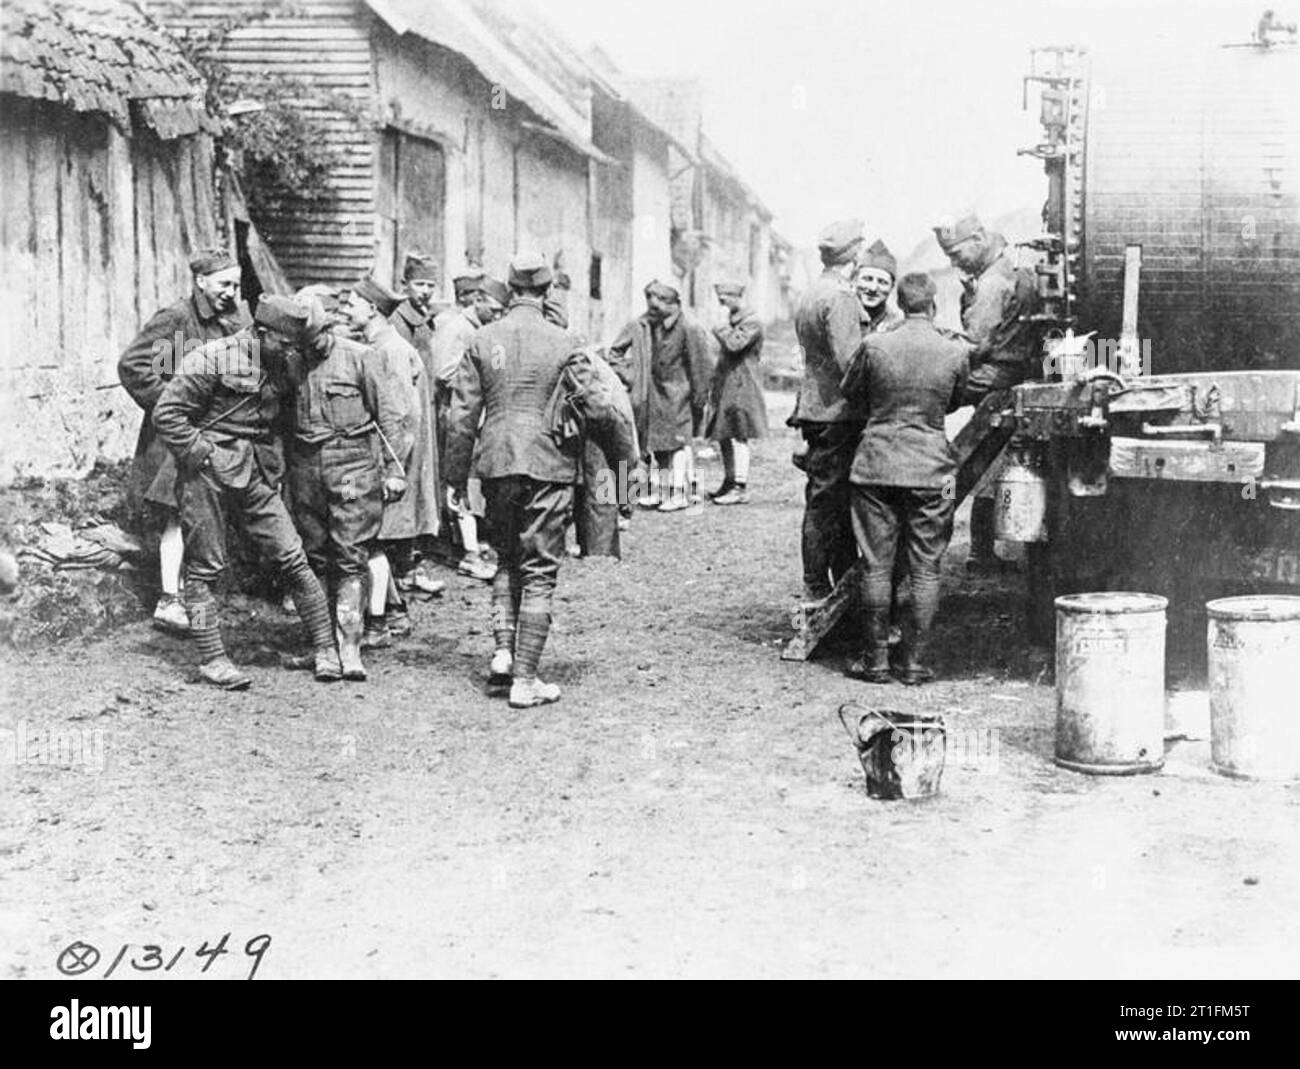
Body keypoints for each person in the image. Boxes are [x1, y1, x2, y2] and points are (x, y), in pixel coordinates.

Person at [151, 296, 340, 688]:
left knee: (293, 555)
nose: (292, 353)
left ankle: (325, 646)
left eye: (296, 347)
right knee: (203, 571)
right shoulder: (211, 358)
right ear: (262, 332)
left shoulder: (284, 358)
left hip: (257, 475)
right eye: (286, 345)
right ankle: (212, 657)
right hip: (207, 477)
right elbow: (167, 414)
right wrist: (202, 455)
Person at [444, 252, 579, 708]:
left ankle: (503, 653)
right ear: (547, 292)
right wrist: (621, 483)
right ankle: (525, 680)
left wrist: (455, 477)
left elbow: (461, 416)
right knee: (539, 570)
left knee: (505, 559)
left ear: (509, 286)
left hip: (497, 461)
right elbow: (600, 411)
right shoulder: (566, 342)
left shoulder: (483, 338)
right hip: (547, 463)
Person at [842, 272, 969, 684]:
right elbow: (955, 400)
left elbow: (851, 393)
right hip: (932, 470)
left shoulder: (874, 345)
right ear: (933, 304)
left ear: (899, 300)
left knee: (876, 567)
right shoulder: (953, 350)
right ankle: (915, 664)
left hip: (875, 466)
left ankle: (876, 662)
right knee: (927, 569)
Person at [117, 248, 250, 634]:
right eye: (224, 284)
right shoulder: (176, 319)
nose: (231, 292)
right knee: (176, 512)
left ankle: (200, 597)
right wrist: (173, 405)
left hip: (216, 433)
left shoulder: (238, 319)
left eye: (237, 285)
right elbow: (133, 366)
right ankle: (168, 600)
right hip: (174, 436)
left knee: (205, 511)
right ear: (201, 282)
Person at [285, 287, 408, 681]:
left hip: (352, 467)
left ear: (328, 327)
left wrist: (393, 470)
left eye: (317, 336)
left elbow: (390, 418)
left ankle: (350, 647)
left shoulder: (360, 357)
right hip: (305, 468)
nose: (312, 346)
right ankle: (321, 647)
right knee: (312, 555)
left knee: (350, 554)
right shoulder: (291, 362)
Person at [933, 213, 1040, 573]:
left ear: (978, 240)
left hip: (994, 381)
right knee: (987, 472)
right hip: (1007, 380)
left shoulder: (993, 284)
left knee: (975, 472)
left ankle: (976, 549)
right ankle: (982, 550)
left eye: (956, 253)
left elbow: (974, 345)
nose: (953, 262)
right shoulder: (1009, 270)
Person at [345, 276, 442, 646]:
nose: (346, 310)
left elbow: (403, 413)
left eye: (352, 304)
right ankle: (393, 614)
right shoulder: (375, 345)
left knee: (374, 541)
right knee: (374, 540)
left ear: (371, 310)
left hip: (391, 462)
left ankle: (384, 621)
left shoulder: (390, 350)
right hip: (385, 458)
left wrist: (394, 468)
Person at [790, 219, 866, 606]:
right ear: (853, 253)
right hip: (838, 412)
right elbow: (850, 362)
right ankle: (817, 585)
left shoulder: (811, 291)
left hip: (816, 409)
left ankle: (826, 581)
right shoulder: (840, 297)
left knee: (827, 498)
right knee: (827, 502)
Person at [607, 280, 712, 513]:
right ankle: (662, 492)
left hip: (680, 396)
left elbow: (702, 367)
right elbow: (614, 353)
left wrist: (699, 399)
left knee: (678, 446)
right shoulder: (644, 325)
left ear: (673, 304)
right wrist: (631, 375)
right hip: (651, 396)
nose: (651, 311)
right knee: (658, 445)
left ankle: (679, 494)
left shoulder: (690, 328)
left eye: (657, 307)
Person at [429, 274, 507, 581]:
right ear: (477, 302)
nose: (498, 316)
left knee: (472, 480)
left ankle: (470, 542)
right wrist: (479, 378)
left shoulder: (479, 328)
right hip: (456, 411)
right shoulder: (458, 328)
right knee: (459, 479)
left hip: (474, 411)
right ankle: (469, 553)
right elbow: (443, 372)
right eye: (495, 310)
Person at [706, 281, 768, 505]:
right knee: (724, 434)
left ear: (736, 297)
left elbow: (734, 344)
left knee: (739, 434)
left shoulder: (752, 321)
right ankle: (729, 480)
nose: (722, 304)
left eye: (725, 300)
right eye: (720, 300)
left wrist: (721, 326)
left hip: (743, 384)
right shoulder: (735, 320)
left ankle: (740, 487)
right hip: (728, 384)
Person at [390, 252, 439, 378]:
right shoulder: (397, 318)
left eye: (431, 286)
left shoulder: (423, 313)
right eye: (419, 284)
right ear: (404, 284)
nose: (426, 291)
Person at [855, 239, 903, 337]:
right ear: (855, 280)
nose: (873, 288)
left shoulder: (897, 325)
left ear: (892, 287)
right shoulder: (839, 315)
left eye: (882, 282)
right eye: (867, 279)